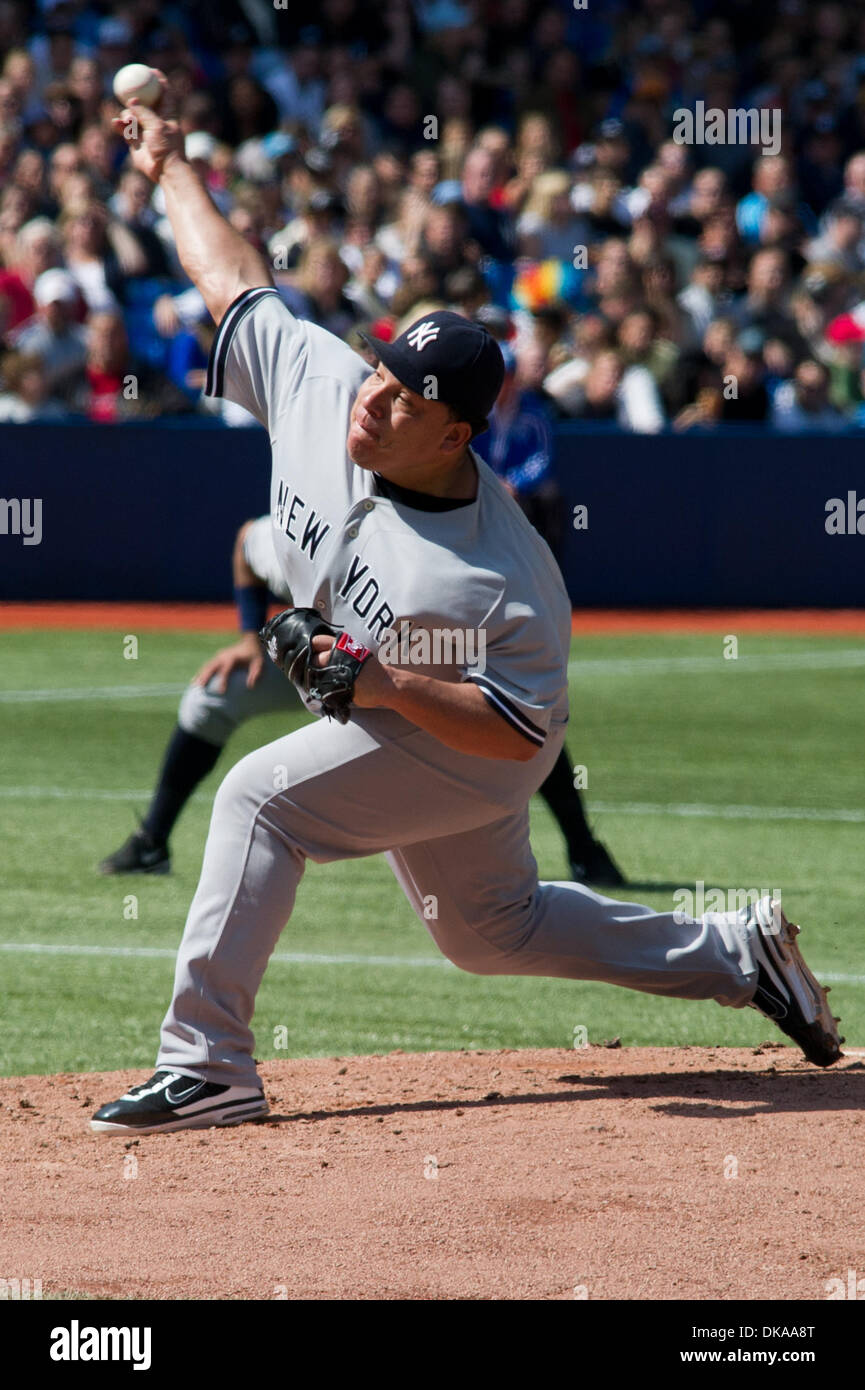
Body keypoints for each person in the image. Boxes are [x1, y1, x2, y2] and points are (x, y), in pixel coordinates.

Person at [90, 82, 842, 1135]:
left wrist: (382, 679)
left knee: (259, 798)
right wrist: (168, 163)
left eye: (406, 397)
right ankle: (736, 953)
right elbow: (232, 280)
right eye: (384, 369)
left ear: (455, 435)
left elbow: (518, 726)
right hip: (403, 705)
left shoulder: (498, 575)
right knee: (489, 929)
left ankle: (207, 1060)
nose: (375, 396)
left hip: (482, 738)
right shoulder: (323, 386)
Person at [98, 509, 623, 888]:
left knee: (502, 711)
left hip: (406, 664)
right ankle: (152, 842)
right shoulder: (303, 535)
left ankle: (583, 848)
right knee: (212, 696)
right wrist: (245, 636)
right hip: (322, 662)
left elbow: (503, 707)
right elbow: (244, 544)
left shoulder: (414, 552)